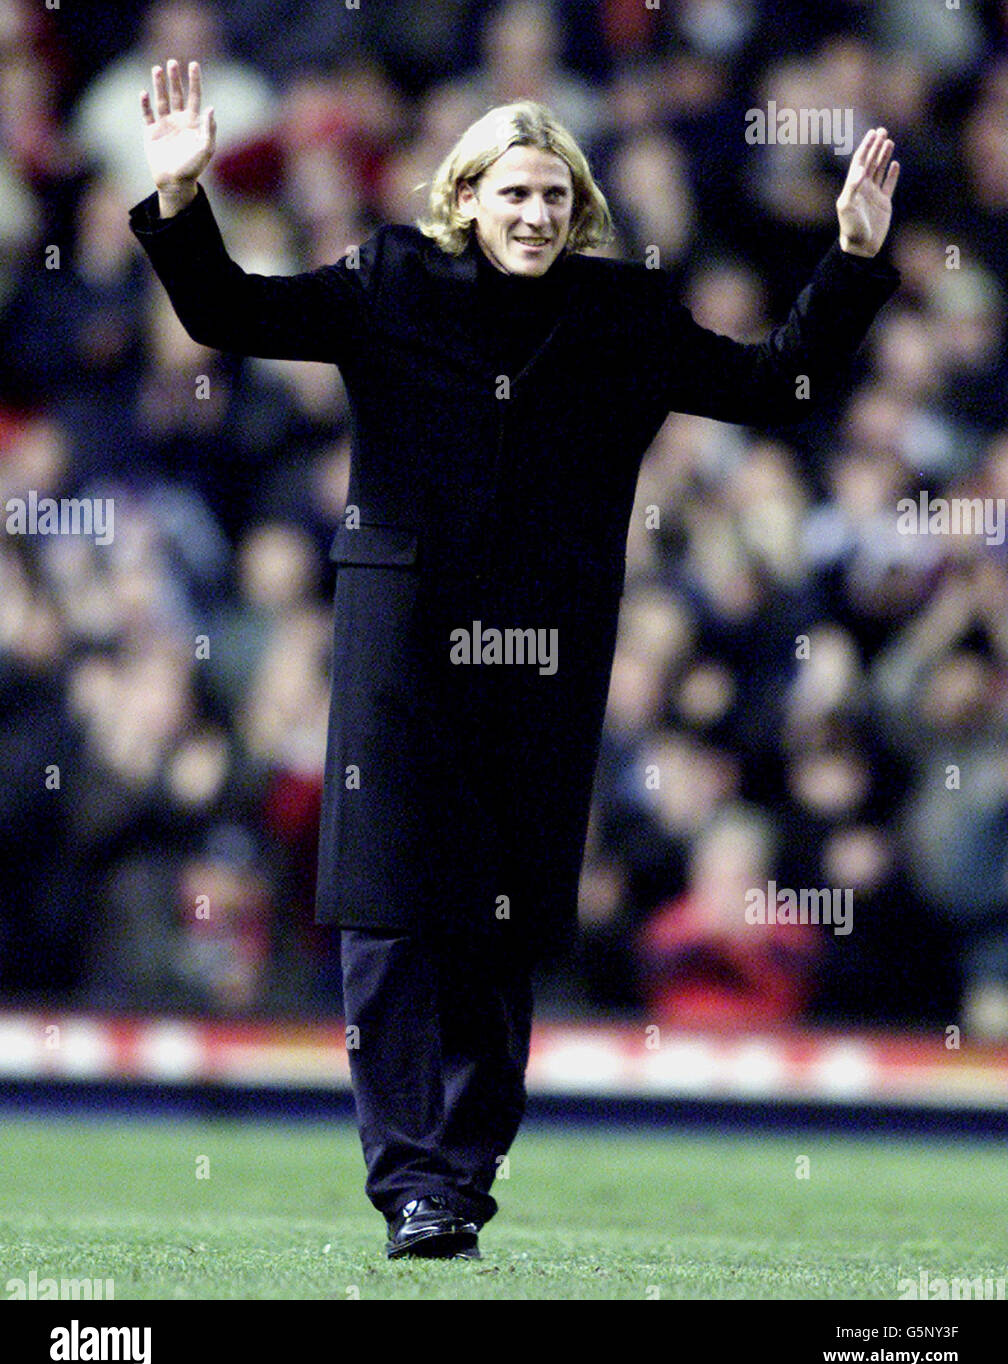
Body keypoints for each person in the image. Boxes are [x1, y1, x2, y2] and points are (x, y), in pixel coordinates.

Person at [130, 59, 900, 1259]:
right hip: (396, 648)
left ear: (579, 209)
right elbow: (228, 311)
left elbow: (777, 384)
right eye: (512, 192)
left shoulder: (623, 314)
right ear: (465, 199)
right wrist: (183, 197)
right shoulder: (391, 280)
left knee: (501, 922)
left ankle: (463, 1174)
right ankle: (411, 1183)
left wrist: (851, 260)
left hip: (544, 657)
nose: (535, 213)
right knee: (387, 912)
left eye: (554, 194)